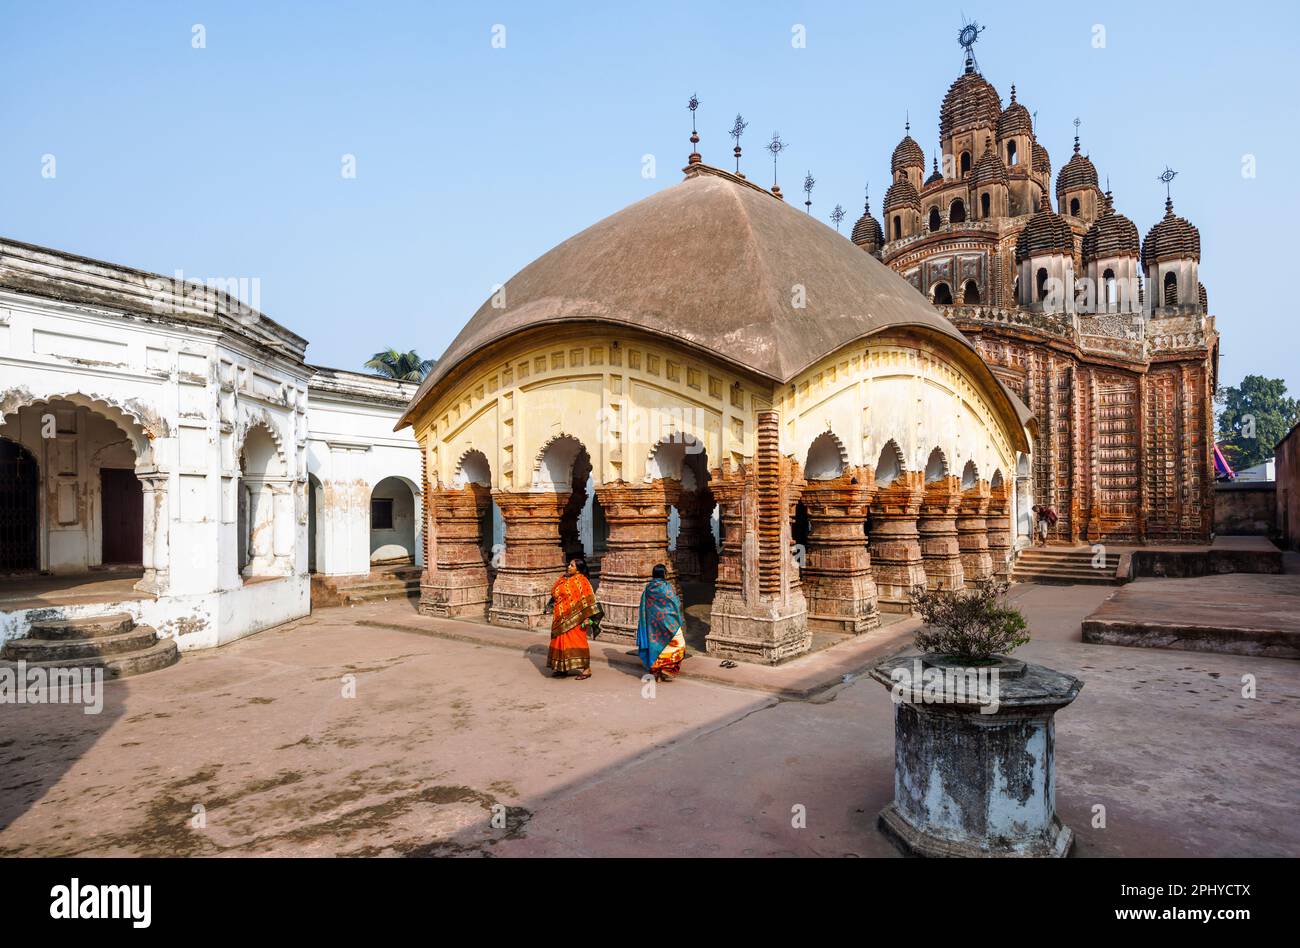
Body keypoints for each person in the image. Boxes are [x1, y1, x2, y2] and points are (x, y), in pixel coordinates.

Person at [547, 556, 599, 680]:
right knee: (560, 641)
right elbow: (554, 592)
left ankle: (586, 669)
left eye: (572, 565)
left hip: (576, 619)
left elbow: (589, 599)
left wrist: (588, 618)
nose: (568, 567)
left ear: (578, 569)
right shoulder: (563, 578)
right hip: (560, 617)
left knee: (576, 642)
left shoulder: (582, 581)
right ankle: (563, 668)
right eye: (569, 565)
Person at [636, 564, 686, 682]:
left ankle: (657, 672)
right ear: (663, 574)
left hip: (652, 623)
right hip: (668, 622)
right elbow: (674, 602)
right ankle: (666, 669)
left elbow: (644, 605)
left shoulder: (649, 587)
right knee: (679, 644)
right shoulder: (665, 587)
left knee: (655, 646)